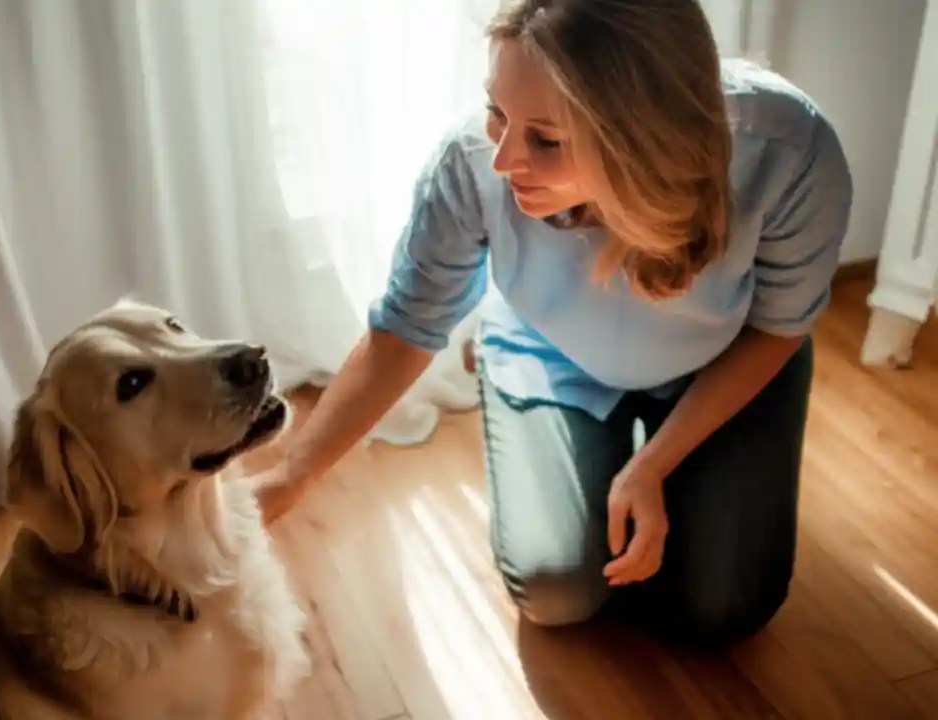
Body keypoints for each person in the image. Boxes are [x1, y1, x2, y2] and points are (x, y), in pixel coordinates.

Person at [254, 0, 852, 648]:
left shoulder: (788, 149)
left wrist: (652, 466)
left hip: (730, 352)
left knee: (723, 612)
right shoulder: (471, 163)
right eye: (496, 112)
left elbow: (780, 325)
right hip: (552, 353)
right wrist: (292, 475)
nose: (505, 158)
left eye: (546, 138)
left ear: (642, 137)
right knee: (556, 589)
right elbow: (403, 330)